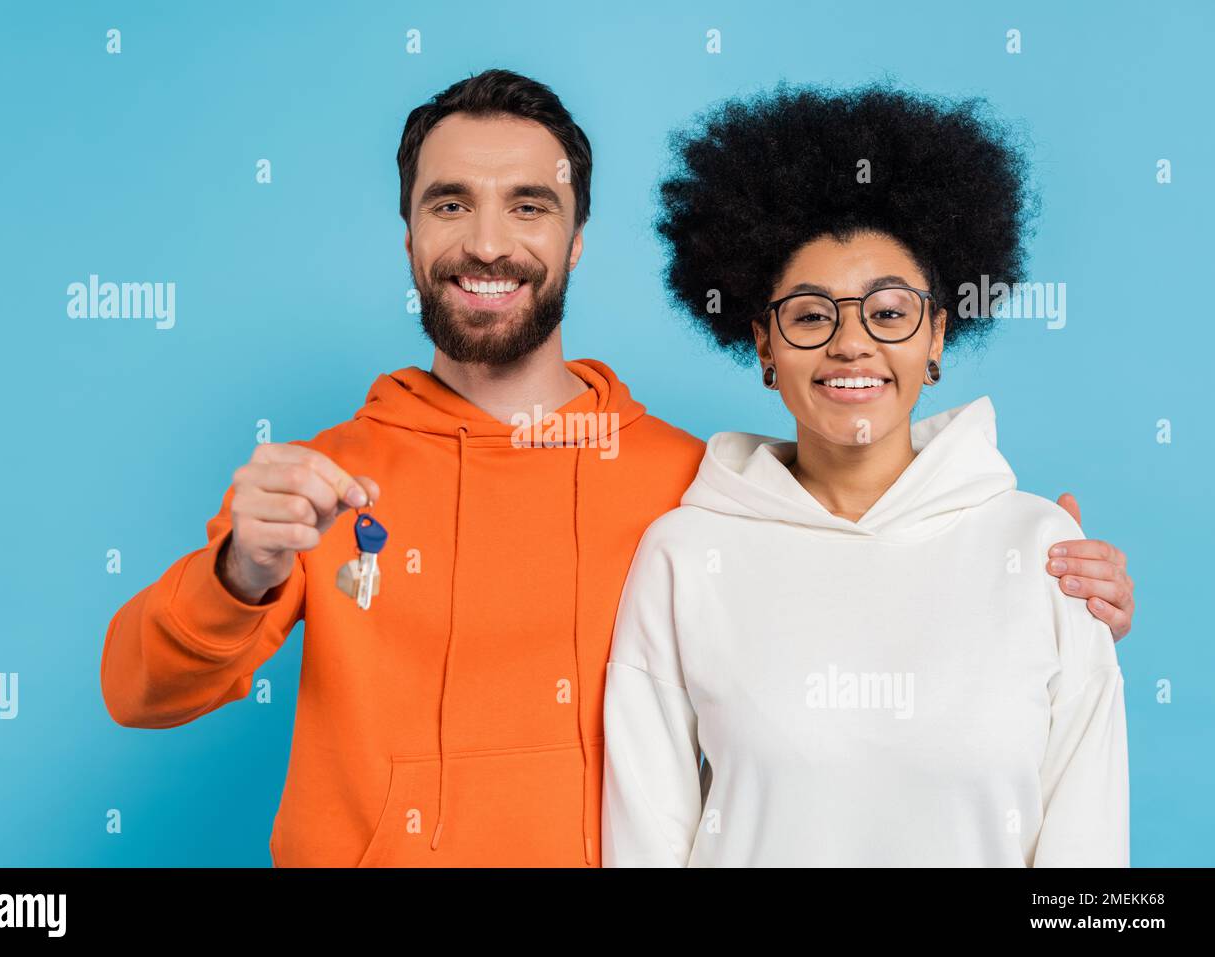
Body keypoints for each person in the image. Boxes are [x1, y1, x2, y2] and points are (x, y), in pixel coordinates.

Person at [101, 70, 1134, 867]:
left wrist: (1035, 572)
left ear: (579, 240)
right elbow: (137, 690)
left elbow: (859, 533)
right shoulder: (320, 481)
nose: (488, 242)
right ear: (408, 234)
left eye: (529, 206)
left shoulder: (695, 487)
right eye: (450, 204)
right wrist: (241, 568)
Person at [601, 81, 1129, 866]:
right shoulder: (684, 555)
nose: (852, 344)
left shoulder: (1044, 551)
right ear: (765, 348)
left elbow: (1085, 848)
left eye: (888, 313)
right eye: (812, 316)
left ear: (937, 336)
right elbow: (646, 834)